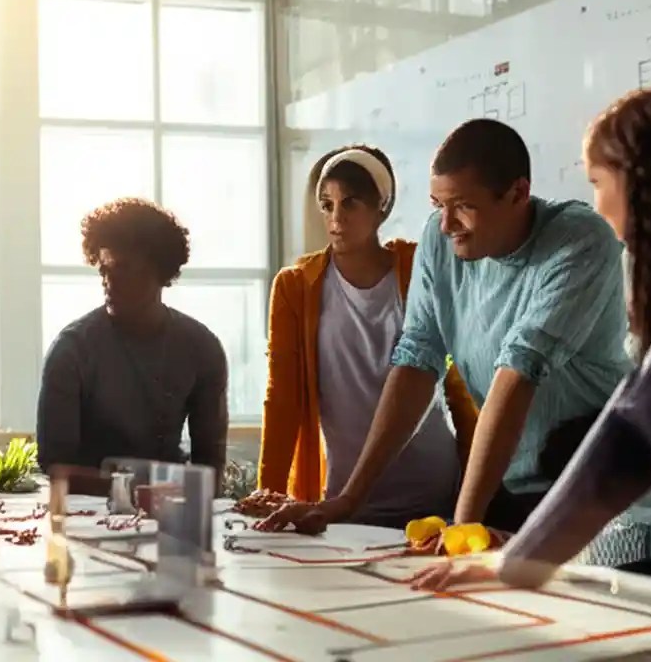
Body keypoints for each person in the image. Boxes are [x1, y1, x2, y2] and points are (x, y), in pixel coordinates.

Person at [412, 83, 651, 591]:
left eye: (598, 180)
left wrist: (515, 564)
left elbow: (634, 435)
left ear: (643, 182)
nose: (600, 206)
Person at [259, 118, 630, 535]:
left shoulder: (579, 240)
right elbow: (417, 359)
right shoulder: (439, 243)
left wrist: (465, 524)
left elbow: (520, 368)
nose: (447, 223)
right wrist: (347, 500)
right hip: (510, 479)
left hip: (595, 480)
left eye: (463, 206)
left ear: (518, 194)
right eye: (439, 205)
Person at [258, 145, 481, 528]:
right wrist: (268, 492)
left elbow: (459, 385)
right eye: (327, 205)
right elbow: (283, 399)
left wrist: (478, 492)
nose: (336, 218)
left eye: (351, 204)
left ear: (382, 206)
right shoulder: (295, 287)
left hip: (433, 490)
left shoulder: (417, 267)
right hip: (345, 496)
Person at [36, 198, 229, 480]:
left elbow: (210, 467)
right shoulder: (72, 350)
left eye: (123, 268)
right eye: (104, 270)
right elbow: (55, 466)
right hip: (88, 512)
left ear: (160, 271)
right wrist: (135, 488)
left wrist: (170, 495)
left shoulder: (201, 348)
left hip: (169, 509)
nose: (108, 282)